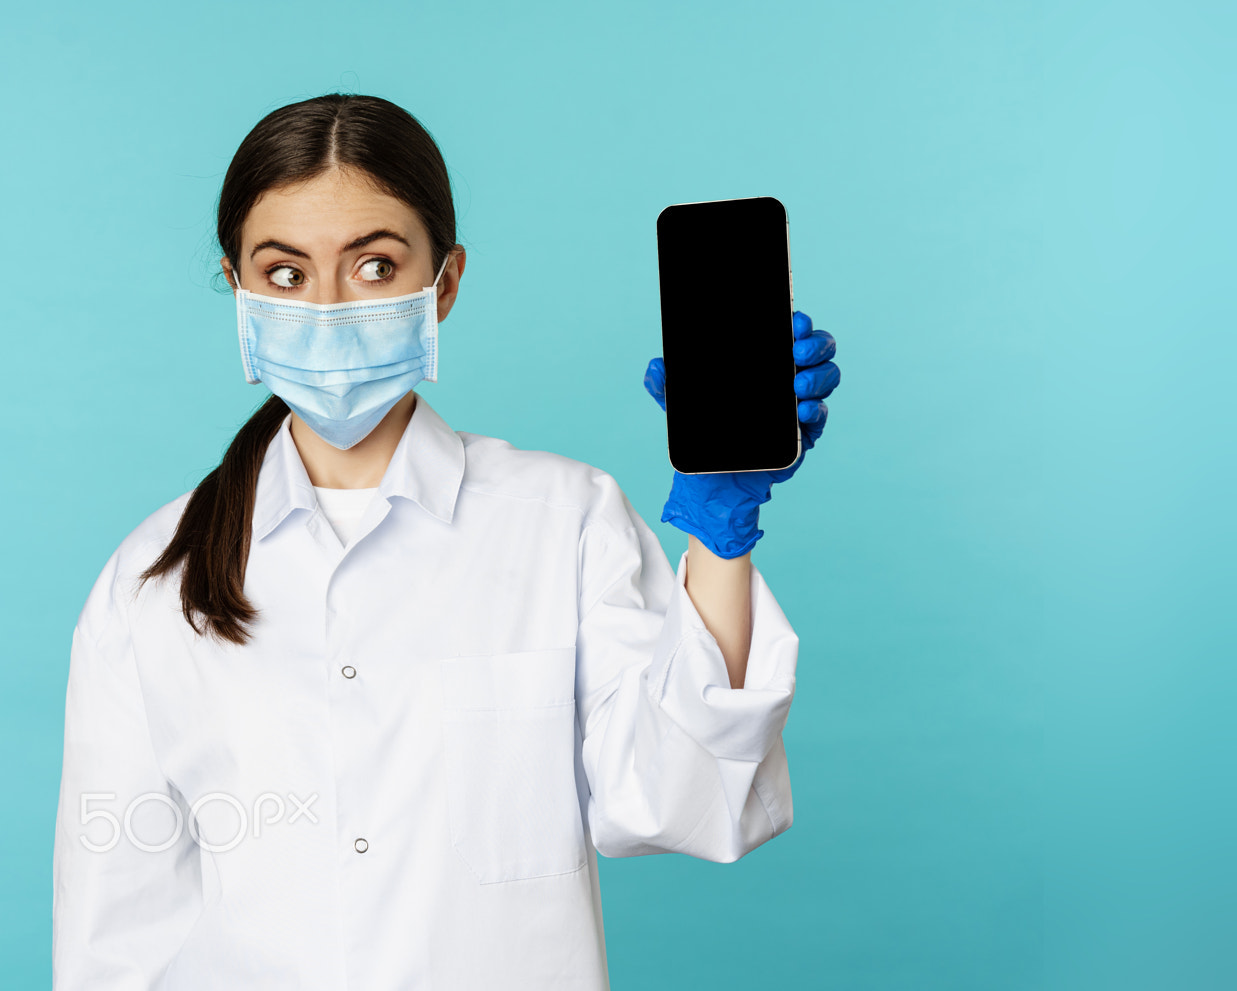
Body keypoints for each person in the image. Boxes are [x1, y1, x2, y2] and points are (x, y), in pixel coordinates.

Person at [51, 94, 840, 988]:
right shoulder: (151, 579)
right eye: (285, 275)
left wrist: (721, 526)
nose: (329, 308)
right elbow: (114, 934)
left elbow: (681, 801)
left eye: (376, 265)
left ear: (445, 283)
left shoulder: (563, 517)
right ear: (237, 289)